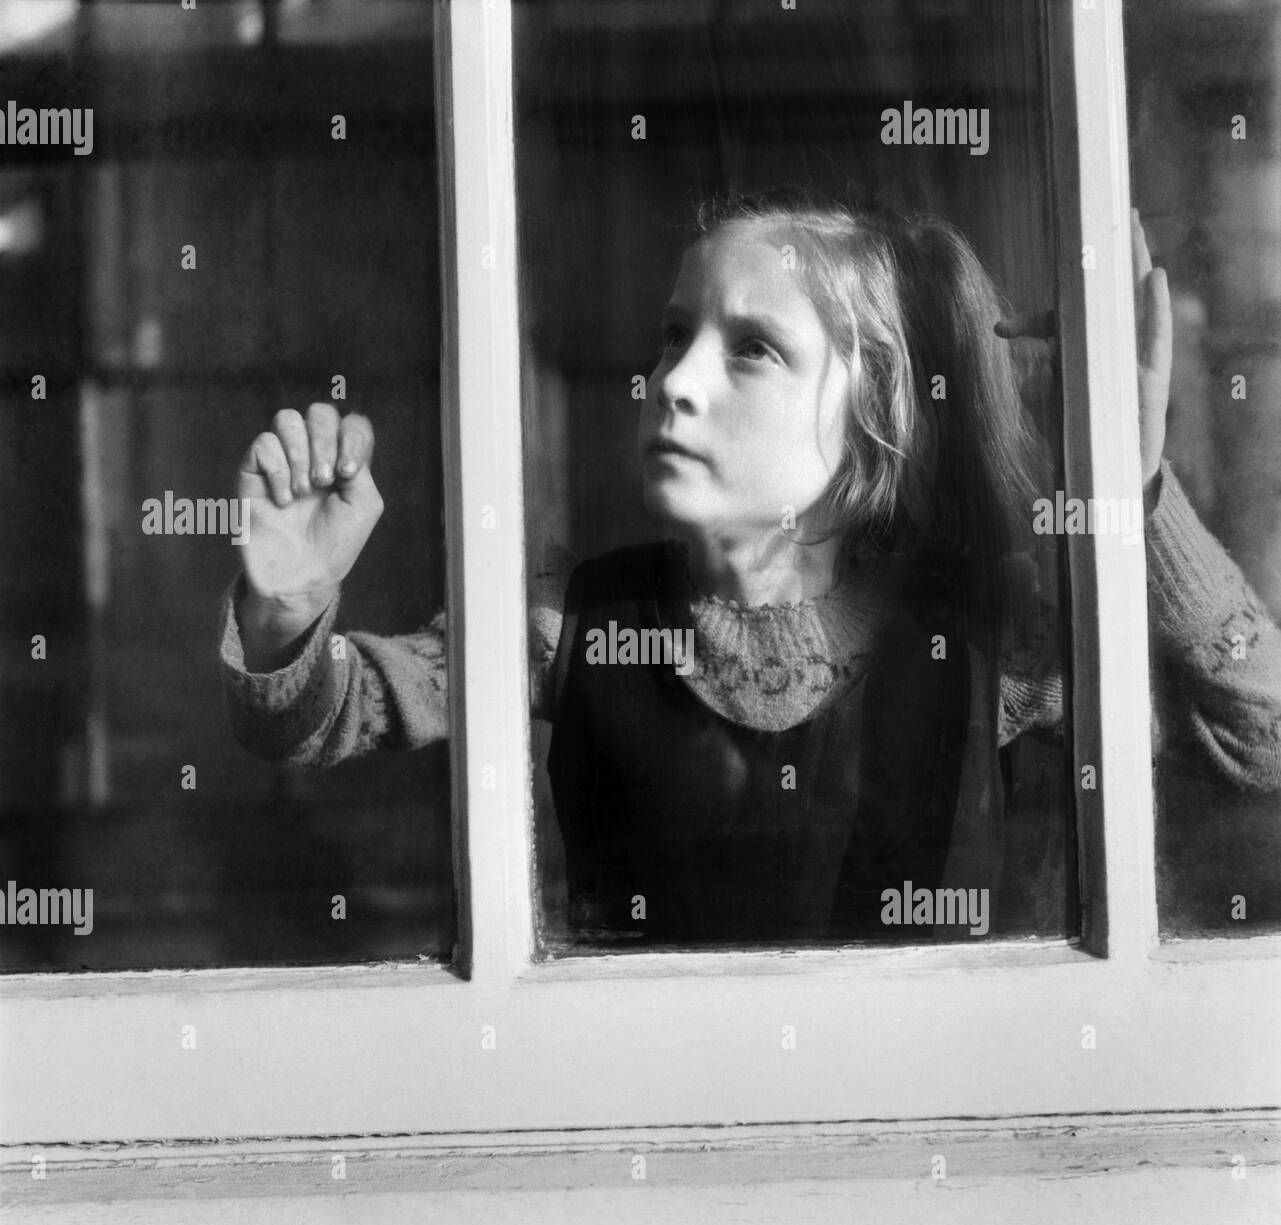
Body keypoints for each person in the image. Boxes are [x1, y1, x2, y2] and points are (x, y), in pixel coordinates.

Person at [219, 189, 1281, 946]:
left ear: (878, 415)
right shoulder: (569, 619)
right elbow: (312, 719)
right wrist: (288, 614)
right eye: (676, 335)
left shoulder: (983, 641)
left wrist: (1142, 494)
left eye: (752, 349)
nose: (672, 380)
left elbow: (1262, 742)